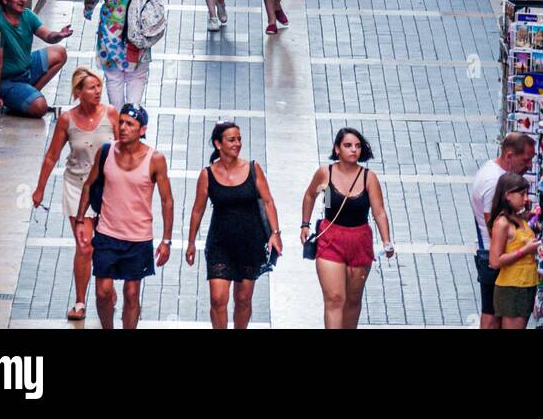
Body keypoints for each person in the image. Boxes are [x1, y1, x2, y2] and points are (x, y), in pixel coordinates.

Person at [32, 66, 119, 321]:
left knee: (105, 243)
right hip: (76, 186)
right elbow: (52, 156)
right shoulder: (67, 120)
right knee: (84, 245)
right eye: (92, 88)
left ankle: (106, 291)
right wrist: (40, 189)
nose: (98, 91)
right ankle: (80, 302)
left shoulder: (111, 114)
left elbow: (124, 148)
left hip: (106, 188)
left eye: (99, 86)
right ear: (78, 92)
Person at [76, 104, 173, 330]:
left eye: (130, 124)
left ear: (142, 129)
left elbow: (167, 200)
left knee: (131, 293)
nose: (123, 127)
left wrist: (166, 240)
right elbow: (89, 185)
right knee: (103, 292)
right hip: (107, 234)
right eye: (120, 122)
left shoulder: (155, 159)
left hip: (138, 238)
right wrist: (81, 220)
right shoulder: (107, 151)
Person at [185, 121, 281, 329]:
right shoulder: (207, 174)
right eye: (231, 140)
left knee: (243, 299)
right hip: (220, 243)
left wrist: (275, 233)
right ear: (218, 144)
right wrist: (191, 242)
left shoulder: (253, 168)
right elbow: (197, 210)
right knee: (218, 299)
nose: (237, 143)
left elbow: (268, 201)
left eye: (239, 139)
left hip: (250, 243)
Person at [301, 127, 394, 330]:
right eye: (348, 145)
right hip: (331, 239)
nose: (354, 150)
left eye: (358, 146)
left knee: (352, 301)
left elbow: (379, 212)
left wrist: (387, 241)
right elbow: (311, 195)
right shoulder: (326, 172)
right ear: (337, 149)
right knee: (334, 298)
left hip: (359, 241)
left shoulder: (368, 177)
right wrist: (305, 224)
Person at [469, 132, 535, 330]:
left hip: (491, 254)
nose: (530, 165)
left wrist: (524, 219)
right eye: (526, 159)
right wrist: (523, 246)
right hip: (492, 256)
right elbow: (494, 228)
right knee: (491, 317)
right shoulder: (493, 181)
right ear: (509, 155)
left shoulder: (493, 171)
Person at [83, 0, 154, 109]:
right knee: (137, 75)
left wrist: (88, 11)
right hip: (136, 31)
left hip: (110, 32)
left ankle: (117, 119)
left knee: (113, 77)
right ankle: (133, 115)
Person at [0, 0, 71, 117]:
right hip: (8, 80)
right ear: (5, 0)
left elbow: (48, 36)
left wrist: (59, 35)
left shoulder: (27, 15)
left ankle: (31, 92)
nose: (22, 0)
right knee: (40, 108)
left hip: (26, 69)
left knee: (60, 52)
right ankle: (26, 98)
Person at [488, 173, 539, 329]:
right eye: (522, 194)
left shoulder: (520, 218)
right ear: (508, 195)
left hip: (527, 284)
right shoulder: (502, 223)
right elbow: (495, 261)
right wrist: (524, 250)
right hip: (512, 288)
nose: (526, 199)